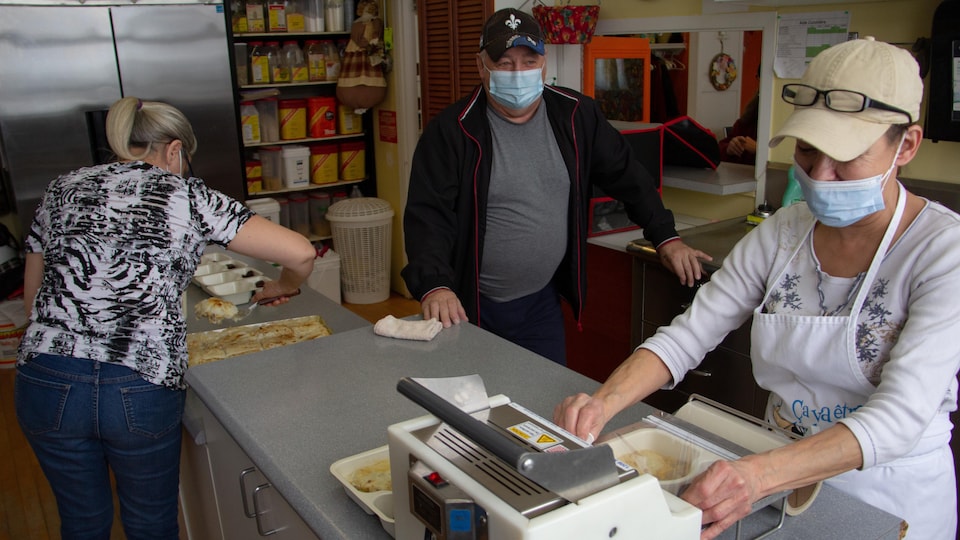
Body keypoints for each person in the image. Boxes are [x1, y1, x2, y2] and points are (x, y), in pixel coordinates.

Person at [555, 37, 959, 540]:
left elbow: (899, 415)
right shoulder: (783, 234)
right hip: (781, 475)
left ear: (908, 145)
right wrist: (603, 402)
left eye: (846, 157)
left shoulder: (943, 252)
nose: (822, 176)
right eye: (809, 153)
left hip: (886, 496)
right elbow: (687, 336)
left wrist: (756, 476)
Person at [15, 96, 315, 539]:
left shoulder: (63, 188)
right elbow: (302, 252)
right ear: (175, 151)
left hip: (46, 375)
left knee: (82, 523)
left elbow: (30, 301)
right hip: (138, 382)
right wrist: (285, 285)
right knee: (150, 524)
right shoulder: (187, 194)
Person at [401, 8, 710, 365]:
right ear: (480, 65)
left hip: (541, 306)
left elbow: (628, 175)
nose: (518, 73)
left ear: (544, 63)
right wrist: (435, 284)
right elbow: (428, 217)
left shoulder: (577, 115)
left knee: (543, 407)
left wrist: (666, 237)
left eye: (529, 60)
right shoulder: (452, 131)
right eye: (504, 62)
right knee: (473, 408)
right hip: (470, 307)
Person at [718, 92, 759, 165]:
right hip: (739, 174)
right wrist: (729, 148)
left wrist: (759, 150)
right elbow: (718, 150)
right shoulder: (745, 122)